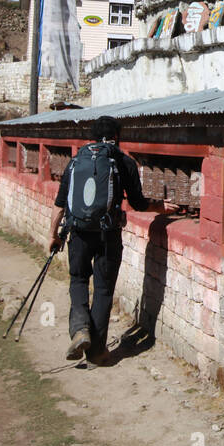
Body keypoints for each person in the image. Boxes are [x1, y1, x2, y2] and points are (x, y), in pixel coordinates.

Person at [48, 116, 146, 365]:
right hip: (108, 235)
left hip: (78, 232)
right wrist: (163, 209)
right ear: (117, 136)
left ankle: (80, 328)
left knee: (78, 279)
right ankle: (97, 352)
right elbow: (139, 203)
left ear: (92, 136)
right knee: (103, 289)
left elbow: (60, 205)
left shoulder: (75, 162)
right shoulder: (124, 162)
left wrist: (53, 236)